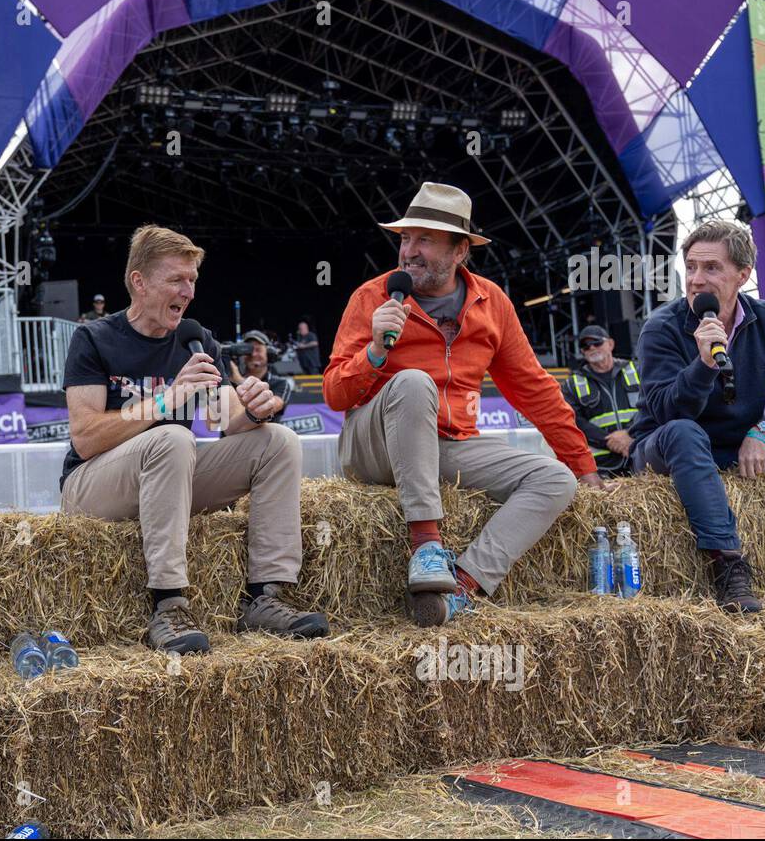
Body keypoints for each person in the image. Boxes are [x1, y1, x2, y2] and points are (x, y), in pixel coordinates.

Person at [324, 182, 600, 626]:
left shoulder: (492, 303)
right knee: (413, 384)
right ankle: (426, 546)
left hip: (449, 444)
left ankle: (461, 587)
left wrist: (584, 467)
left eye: (425, 240)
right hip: (373, 447)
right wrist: (375, 350)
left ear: (461, 252)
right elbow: (336, 394)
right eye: (405, 238)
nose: (409, 251)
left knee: (554, 481)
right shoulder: (371, 297)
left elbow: (535, 388)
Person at [60, 225, 329, 654]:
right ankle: (168, 604)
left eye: (192, 281)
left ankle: (267, 596)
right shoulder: (94, 338)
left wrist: (255, 408)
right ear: (139, 282)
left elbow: (226, 418)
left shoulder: (195, 338)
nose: (187, 292)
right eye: (176, 280)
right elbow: (86, 438)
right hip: (93, 487)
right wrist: (167, 399)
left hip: (169, 475)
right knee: (171, 437)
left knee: (278, 441)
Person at [629, 219, 765, 614]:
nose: (697, 280)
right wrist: (703, 365)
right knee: (685, 431)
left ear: (743, 275)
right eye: (691, 268)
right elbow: (668, 410)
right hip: (668, 446)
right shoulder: (661, 328)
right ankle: (730, 566)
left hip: (739, 446)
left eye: (711, 268)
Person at [560, 324, 641, 477]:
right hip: (603, 466)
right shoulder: (572, 384)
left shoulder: (637, 370)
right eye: (585, 346)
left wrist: (629, 433)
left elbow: (651, 405)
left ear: (610, 344)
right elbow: (574, 420)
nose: (591, 348)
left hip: (639, 453)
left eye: (597, 342)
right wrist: (609, 441)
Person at [224, 329, 294, 413]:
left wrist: (239, 381)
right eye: (248, 350)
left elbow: (269, 408)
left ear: (269, 353)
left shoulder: (281, 383)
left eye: (258, 350)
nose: (253, 354)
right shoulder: (231, 381)